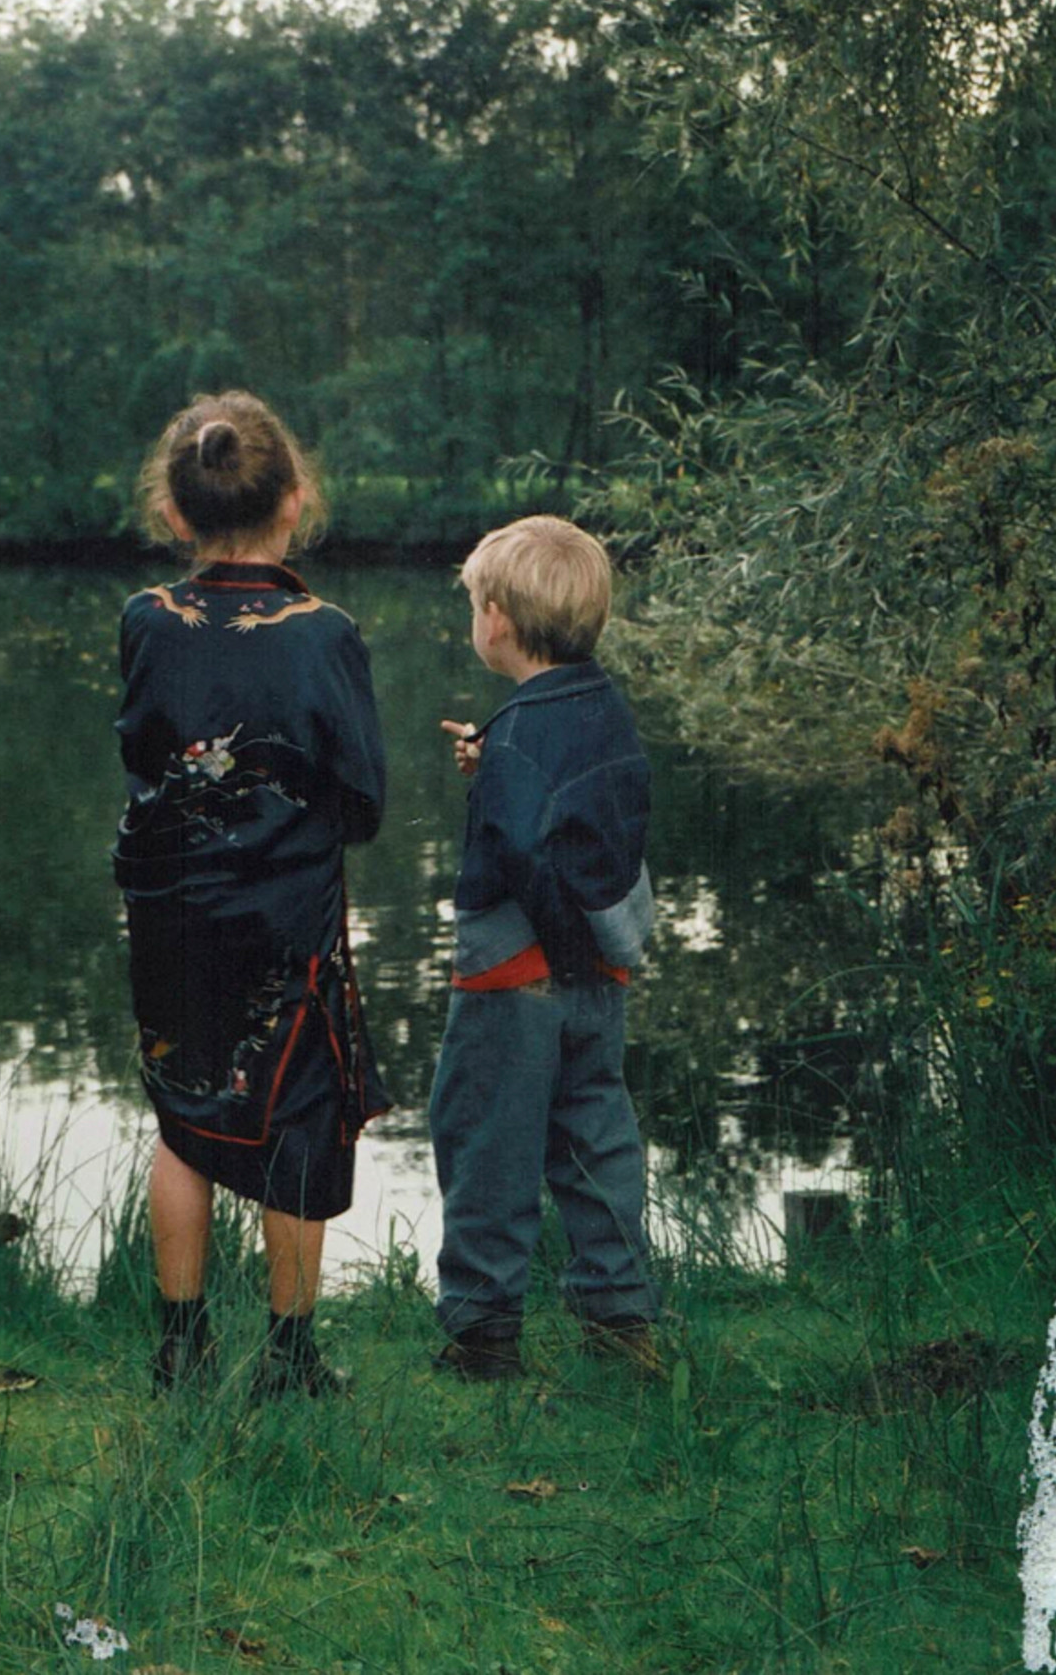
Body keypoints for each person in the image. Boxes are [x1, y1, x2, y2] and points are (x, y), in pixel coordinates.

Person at [114, 391, 389, 1398]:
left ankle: (180, 1349)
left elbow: (143, 752)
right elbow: (361, 798)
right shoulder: (325, 632)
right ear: (296, 500)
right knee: (298, 1127)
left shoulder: (144, 618)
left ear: (176, 515)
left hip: (168, 918)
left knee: (181, 1124)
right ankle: (288, 1358)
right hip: (287, 925)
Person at [429, 514, 662, 1381]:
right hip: (599, 974)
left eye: (474, 606)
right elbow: (579, 810)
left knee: (485, 1143)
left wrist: (501, 772)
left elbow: (527, 848)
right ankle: (621, 1319)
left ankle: (483, 1334)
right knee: (597, 1137)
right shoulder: (600, 707)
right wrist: (493, 765)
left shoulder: (521, 736)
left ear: (497, 618)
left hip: (515, 978)